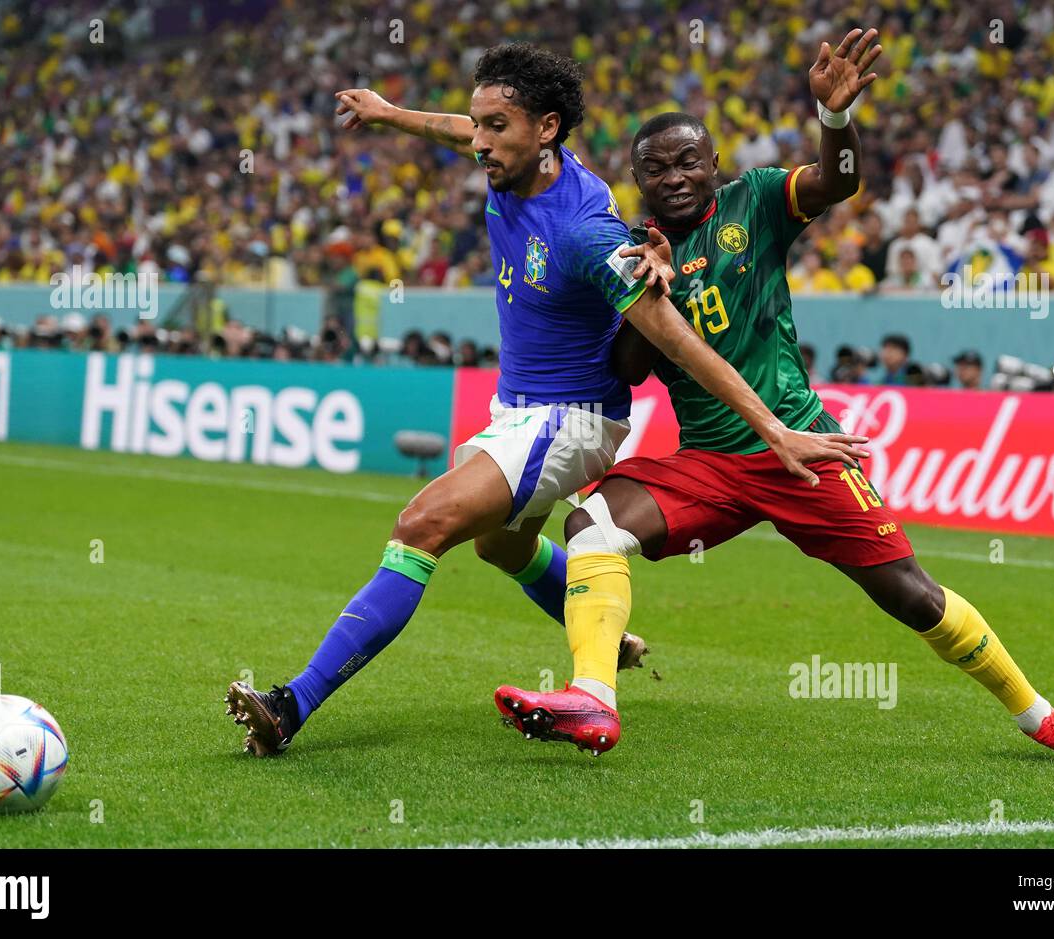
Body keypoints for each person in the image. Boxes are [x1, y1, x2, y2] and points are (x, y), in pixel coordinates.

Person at [492, 28, 1054, 767]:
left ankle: (1046, 720)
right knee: (592, 524)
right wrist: (649, 285)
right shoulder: (625, 247)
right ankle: (594, 698)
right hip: (710, 462)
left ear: (714, 166)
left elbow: (839, 183)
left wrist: (834, 119)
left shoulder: (755, 204)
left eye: (687, 162)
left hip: (801, 448)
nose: (673, 178)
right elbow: (632, 369)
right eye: (655, 169)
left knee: (913, 597)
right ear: (637, 180)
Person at [225, 43, 864, 755]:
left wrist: (774, 428)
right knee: (502, 545)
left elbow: (679, 342)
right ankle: (604, 631)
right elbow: (452, 129)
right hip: (519, 410)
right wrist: (385, 114)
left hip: (572, 420)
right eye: (479, 124)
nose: (480, 140)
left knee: (422, 523)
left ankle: (291, 704)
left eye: (497, 127)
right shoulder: (505, 157)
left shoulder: (587, 231)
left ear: (547, 129)